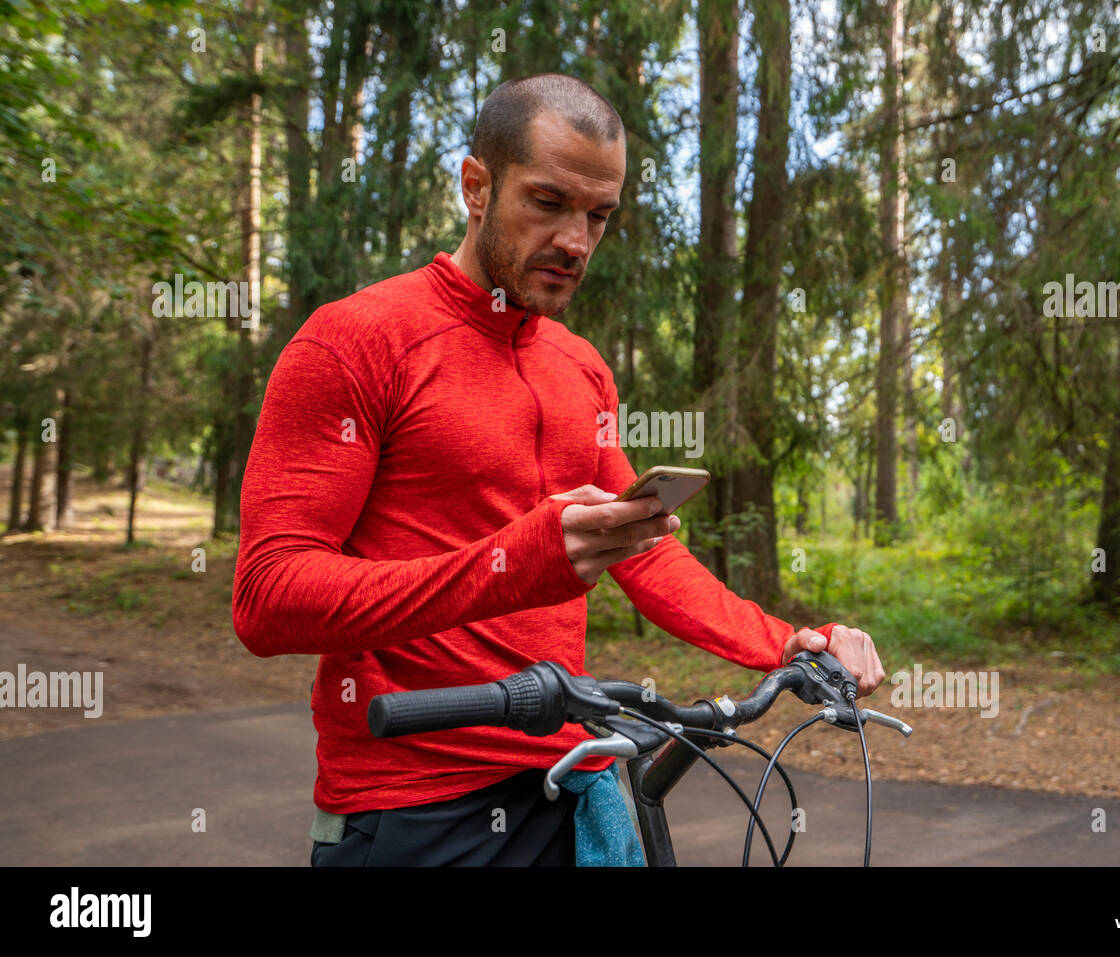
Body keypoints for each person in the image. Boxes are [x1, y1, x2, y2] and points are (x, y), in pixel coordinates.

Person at [232, 72, 886, 866]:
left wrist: (789, 642)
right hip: (411, 811)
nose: (577, 240)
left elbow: (645, 551)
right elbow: (268, 600)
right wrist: (517, 563)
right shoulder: (355, 342)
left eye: (599, 215)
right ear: (477, 185)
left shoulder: (581, 368)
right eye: (548, 202)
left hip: (563, 784)